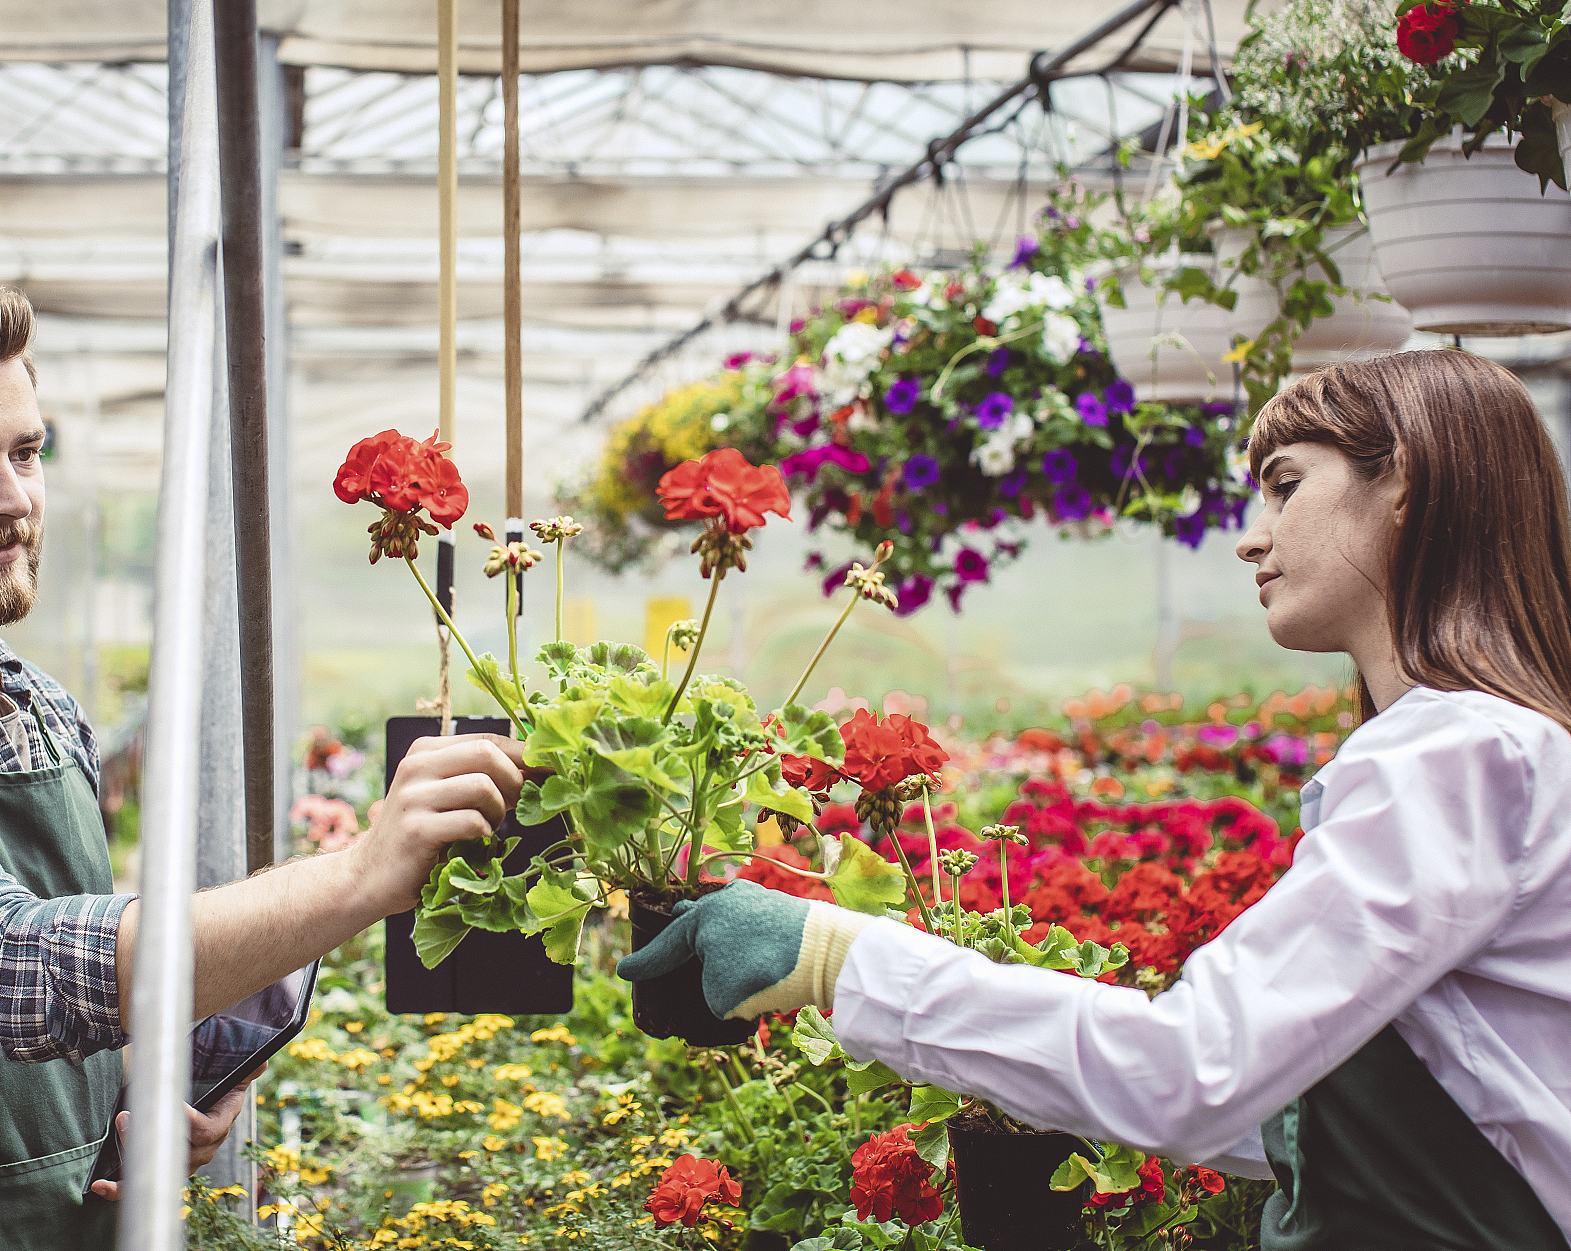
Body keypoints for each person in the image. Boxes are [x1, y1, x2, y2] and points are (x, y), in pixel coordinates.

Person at [622, 348, 1571, 1248]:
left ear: (1403, 480)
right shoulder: (1491, 746)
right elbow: (1322, 1114)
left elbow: (1195, 1072)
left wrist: (835, 954)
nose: (1251, 536)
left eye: (1286, 484)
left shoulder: (1460, 753)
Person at [0, 281, 526, 1250]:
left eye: (26, 452)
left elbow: (60, 998)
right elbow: (7, 964)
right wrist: (357, 874)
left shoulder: (42, 708)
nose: (10, 497)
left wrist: (150, 1084)